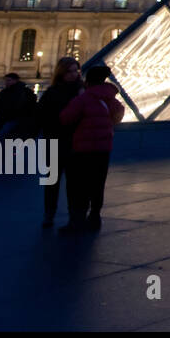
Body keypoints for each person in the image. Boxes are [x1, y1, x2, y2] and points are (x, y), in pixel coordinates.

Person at [57, 66, 125, 232]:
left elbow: (65, 119)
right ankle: (95, 217)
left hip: (82, 148)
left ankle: (76, 221)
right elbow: (119, 113)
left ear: (88, 81)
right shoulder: (110, 98)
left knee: (78, 185)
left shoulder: (83, 98)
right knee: (97, 183)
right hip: (103, 148)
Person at [35, 57, 83, 228]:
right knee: (51, 182)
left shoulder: (83, 91)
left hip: (74, 142)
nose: (74, 74)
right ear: (61, 73)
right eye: (70, 71)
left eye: (76, 70)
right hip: (54, 142)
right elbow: (40, 116)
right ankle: (49, 214)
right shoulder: (52, 93)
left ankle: (73, 215)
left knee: (74, 184)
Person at [0, 73, 37, 141]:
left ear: (15, 81)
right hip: (6, 118)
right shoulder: (6, 91)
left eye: (9, 80)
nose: (6, 82)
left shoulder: (23, 92)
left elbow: (18, 107)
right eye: (6, 80)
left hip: (15, 119)